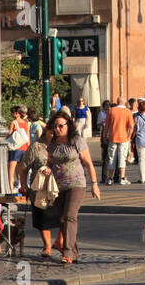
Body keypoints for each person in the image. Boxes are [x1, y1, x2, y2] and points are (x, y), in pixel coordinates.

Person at [39, 108, 100, 263]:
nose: (58, 129)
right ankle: (74, 251)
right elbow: (49, 163)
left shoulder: (76, 140)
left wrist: (94, 184)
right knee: (62, 219)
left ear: (68, 125)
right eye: (55, 126)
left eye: (61, 126)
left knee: (70, 217)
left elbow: (88, 163)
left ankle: (67, 253)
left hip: (77, 184)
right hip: (58, 185)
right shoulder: (52, 143)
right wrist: (46, 170)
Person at [17, 123, 62, 259]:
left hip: (59, 186)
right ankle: (47, 246)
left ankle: (60, 241)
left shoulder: (63, 145)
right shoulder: (36, 146)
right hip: (40, 187)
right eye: (51, 132)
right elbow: (23, 167)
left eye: (56, 133)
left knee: (65, 216)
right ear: (46, 132)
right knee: (43, 216)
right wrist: (24, 185)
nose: (54, 135)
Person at [104, 97, 134, 184]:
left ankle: (110, 178)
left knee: (111, 158)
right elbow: (131, 127)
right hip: (123, 137)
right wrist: (129, 136)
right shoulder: (128, 112)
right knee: (122, 158)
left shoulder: (111, 110)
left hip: (112, 137)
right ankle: (122, 178)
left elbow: (106, 125)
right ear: (124, 102)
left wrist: (104, 136)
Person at [6, 105, 31, 190]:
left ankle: (11, 188)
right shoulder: (26, 123)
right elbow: (28, 137)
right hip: (24, 148)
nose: (11, 115)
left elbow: (9, 134)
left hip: (15, 148)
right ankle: (23, 188)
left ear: (16, 113)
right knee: (21, 171)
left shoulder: (13, 123)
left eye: (12, 113)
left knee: (11, 170)